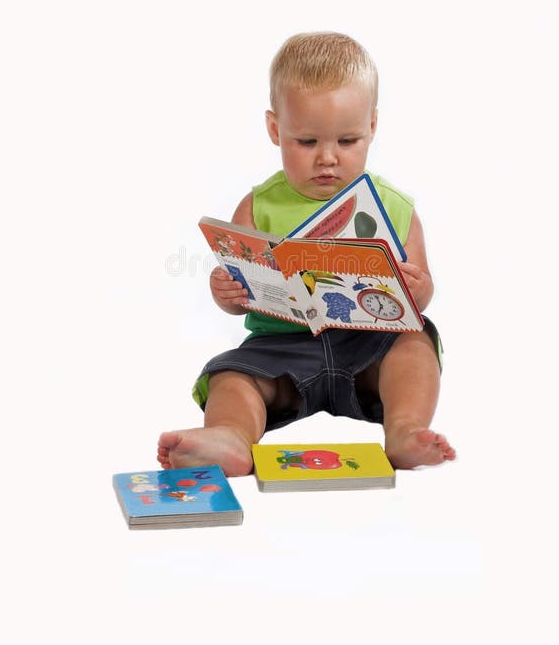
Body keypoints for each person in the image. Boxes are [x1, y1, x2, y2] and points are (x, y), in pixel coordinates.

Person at [158, 32, 455, 476]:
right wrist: (227, 293)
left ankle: (404, 430)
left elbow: (421, 295)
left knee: (416, 344)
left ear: (372, 127)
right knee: (230, 376)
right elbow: (238, 295)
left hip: (368, 349)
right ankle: (231, 436)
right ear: (275, 129)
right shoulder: (257, 208)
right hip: (280, 349)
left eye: (348, 141)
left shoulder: (395, 208)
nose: (327, 158)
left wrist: (417, 287)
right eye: (307, 142)